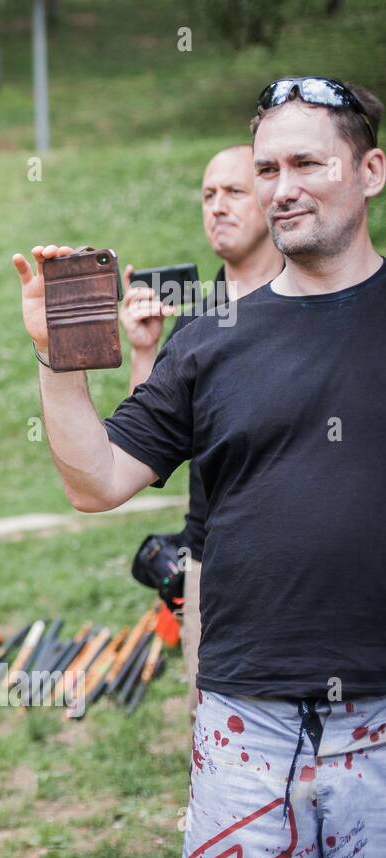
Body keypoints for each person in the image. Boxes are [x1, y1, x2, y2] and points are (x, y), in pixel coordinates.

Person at [13, 77, 386, 858]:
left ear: (371, 172)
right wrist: (58, 361)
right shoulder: (211, 340)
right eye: (267, 170)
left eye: (305, 165)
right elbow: (97, 480)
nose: (281, 190)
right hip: (245, 718)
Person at [119, 145, 283, 717]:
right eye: (208, 195)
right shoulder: (196, 318)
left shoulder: (315, 298)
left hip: (313, 565)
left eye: (233, 192)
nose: (217, 207)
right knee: (215, 738)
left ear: (270, 196)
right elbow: (151, 450)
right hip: (212, 563)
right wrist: (144, 351)